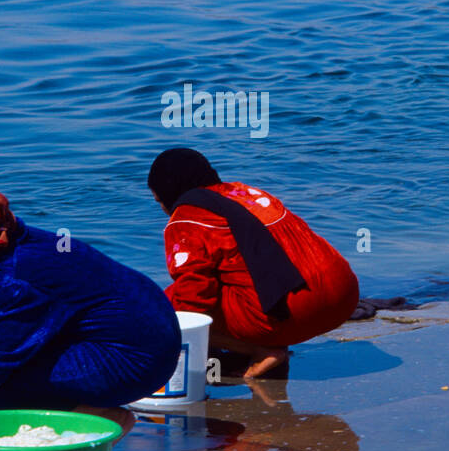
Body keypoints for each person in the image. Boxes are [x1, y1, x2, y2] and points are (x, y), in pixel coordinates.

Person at [0, 183, 181, 420]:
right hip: (129, 334)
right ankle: (83, 409)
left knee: (0, 392)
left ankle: (100, 419)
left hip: (137, 358)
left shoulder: (16, 278)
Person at [147, 149, 359, 379]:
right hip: (344, 294)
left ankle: (261, 350)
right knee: (241, 271)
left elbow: (193, 299)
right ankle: (271, 341)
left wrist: (162, 331)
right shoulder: (248, 193)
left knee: (168, 306)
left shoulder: (186, 219)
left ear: (170, 191)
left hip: (299, 313)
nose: (162, 208)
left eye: (160, 200)